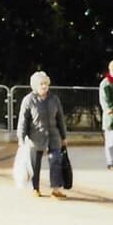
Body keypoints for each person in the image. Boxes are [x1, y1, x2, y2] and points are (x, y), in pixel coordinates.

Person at [17, 71, 68, 199]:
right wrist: (21, 137)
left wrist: (64, 136)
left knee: (55, 161)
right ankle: (36, 188)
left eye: (46, 83)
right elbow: (23, 120)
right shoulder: (28, 100)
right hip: (36, 137)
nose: (44, 86)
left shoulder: (54, 99)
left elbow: (60, 118)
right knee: (35, 164)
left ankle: (56, 190)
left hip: (53, 135)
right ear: (35, 85)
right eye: (41, 84)